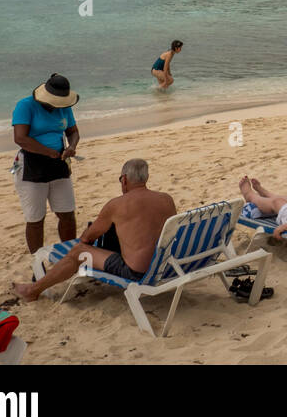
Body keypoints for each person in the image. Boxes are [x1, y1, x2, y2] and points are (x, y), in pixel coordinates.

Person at [12, 159, 176, 301]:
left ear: (124, 180)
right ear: (146, 178)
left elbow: (86, 238)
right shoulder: (166, 199)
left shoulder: (117, 205)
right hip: (165, 265)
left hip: (138, 273)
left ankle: (32, 290)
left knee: (79, 251)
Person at [11, 73, 81, 253]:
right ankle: (37, 259)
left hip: (59, 161)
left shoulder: (64, 107)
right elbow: (20, 138)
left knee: (67, 213)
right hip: (31, 164)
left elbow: (73, 132)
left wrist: (71, 147)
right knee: (36, 218)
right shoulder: (25, 106)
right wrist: (47, 152)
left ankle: (69, 254)